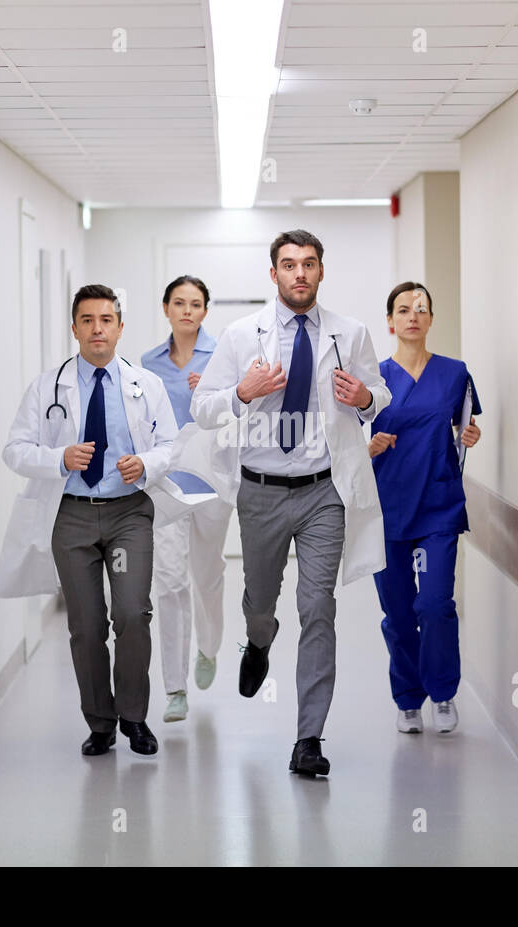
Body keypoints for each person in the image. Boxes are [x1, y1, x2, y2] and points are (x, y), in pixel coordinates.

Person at [180, 229, 391, 777]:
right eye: (289, 264)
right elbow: (204, 409)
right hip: (261, 491)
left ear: (322, 272)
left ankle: (309, 738)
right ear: (272, 274)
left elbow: (378, 395)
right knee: (260, 602)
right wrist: (242, 392)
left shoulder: (351, 332)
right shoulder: (240, 335)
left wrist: (366, 398)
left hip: (325, 491)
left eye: (310, 264)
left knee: (318, 607)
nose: (300, 273)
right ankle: (257, 641)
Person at [0, 284, 184, 758]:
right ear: (74, 328)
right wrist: (60, 458)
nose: (97, 329)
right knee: (86, 625)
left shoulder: (146, 385)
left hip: (128, 515)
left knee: (132, 615)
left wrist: (147, 465)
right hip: (71, 517)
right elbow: (13, 449)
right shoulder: (46, 387)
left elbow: (171, 444)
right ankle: (100, 722)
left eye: (106, 320)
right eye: (87, 320)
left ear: (120, 327)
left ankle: (135, 718)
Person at [368, 282, 481, 735]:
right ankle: (409, 699)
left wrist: (470, 436)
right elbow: (344, 441)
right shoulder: (372, 380)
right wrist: (369, 445)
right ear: (390, 322)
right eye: (403, 309)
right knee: (398, 612)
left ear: (431, 319)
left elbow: (464, 427)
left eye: (421, 309)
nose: (413, 316)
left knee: (434, 604)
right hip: (387, 508)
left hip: (437, 505)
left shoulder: (455, 374)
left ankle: (444, 692)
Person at [140, 275, 233, 723]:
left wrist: (212, 395)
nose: (187, 311)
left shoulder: (224, 356)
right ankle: (174, 688)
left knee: (207, 576)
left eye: (196, 304)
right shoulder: (146, 363)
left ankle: (209, 648)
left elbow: (247, 413)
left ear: (205, 311)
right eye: (179, 303)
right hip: (165, 483)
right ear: (166, 309)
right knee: (170, 582)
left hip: (213, 481)